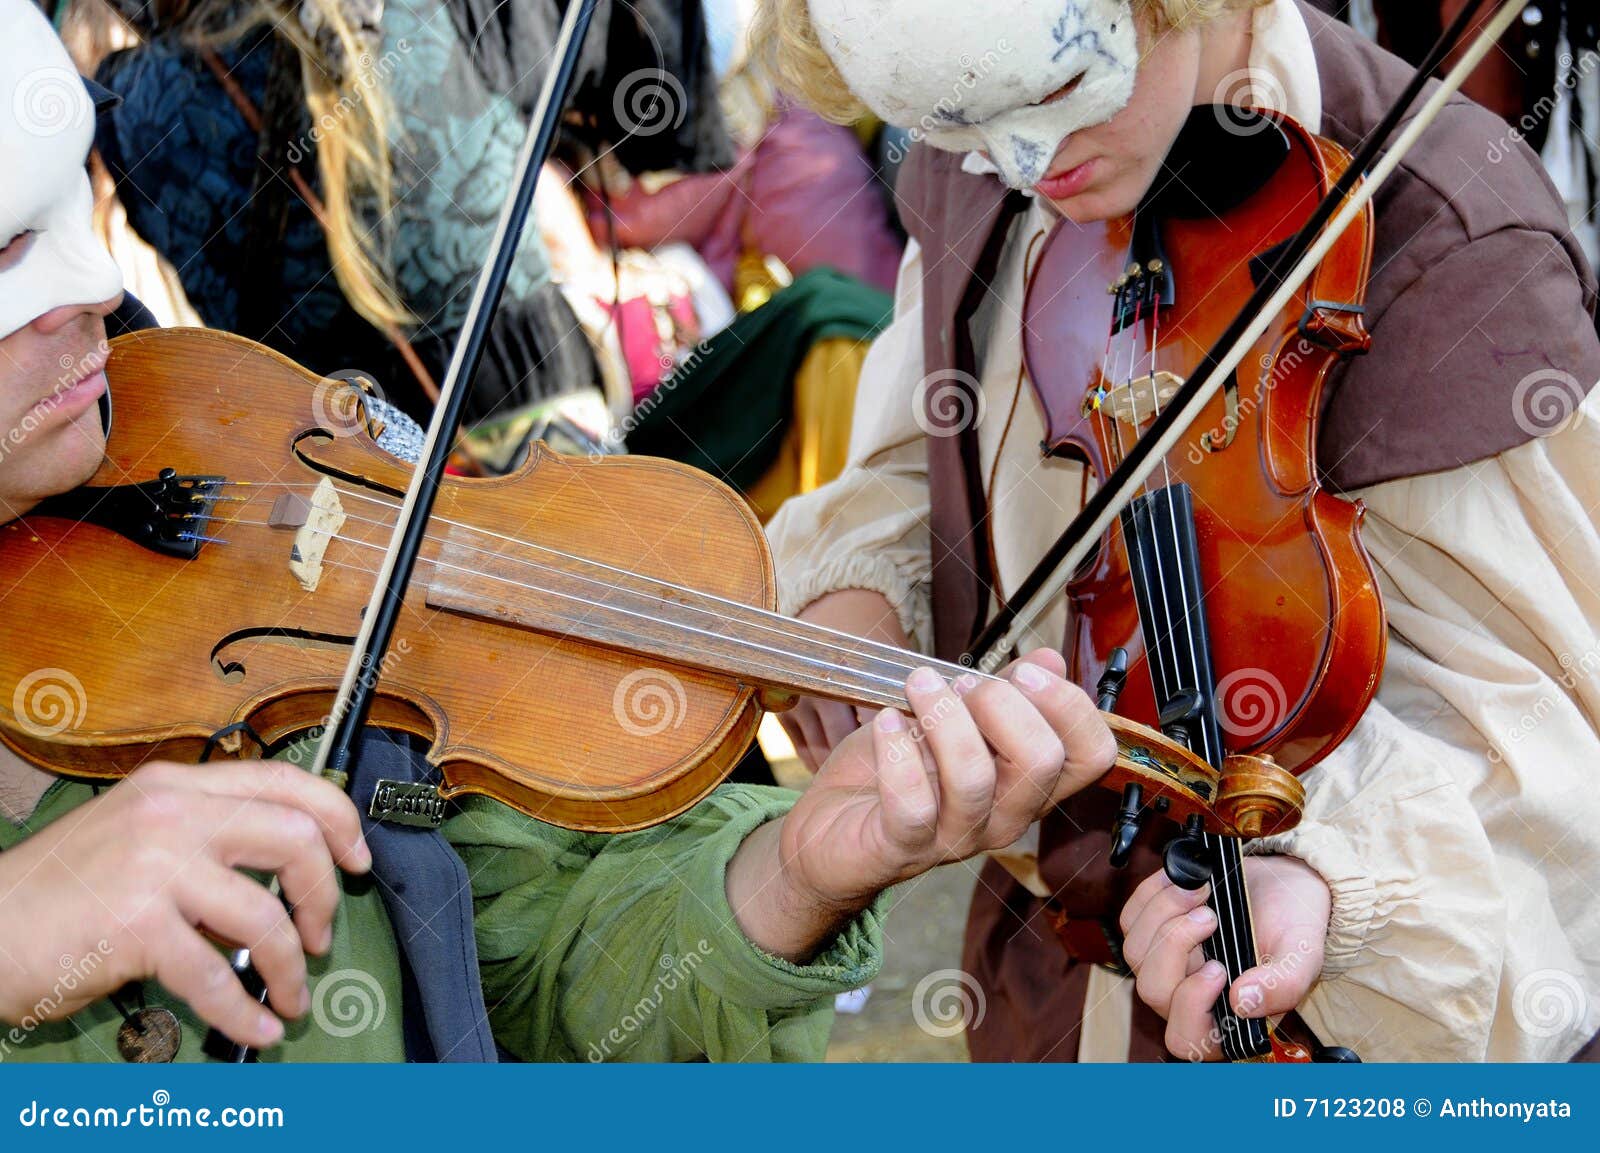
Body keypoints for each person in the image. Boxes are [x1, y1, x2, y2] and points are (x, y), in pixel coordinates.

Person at [0, 0, 1118, 1062]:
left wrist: (791, 880)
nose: (98, 280)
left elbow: (524, 1007)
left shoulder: (184, 421)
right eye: (8, 250)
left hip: (423, 433)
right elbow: (670, 100)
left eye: (78, 200)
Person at [757, 0, 1600, 1061]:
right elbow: (922, 437)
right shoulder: (987, 144)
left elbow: (1547, 744)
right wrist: (863, 591)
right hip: (1042, 981)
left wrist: (1336, 891)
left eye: (1058, 92)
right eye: (958, 123)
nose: (1022, 162)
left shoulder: (1444, 233)